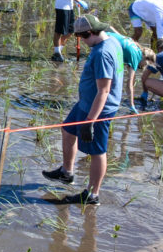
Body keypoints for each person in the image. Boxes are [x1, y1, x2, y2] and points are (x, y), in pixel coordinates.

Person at [43, 15, 123, 205]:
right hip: (85, 103)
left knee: (97, 151)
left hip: (98, 110)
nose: (82, 42)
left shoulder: (102, 53)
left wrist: (90, 121)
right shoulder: (112, 39)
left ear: (89, 33)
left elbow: (104, 91)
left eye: (82, 38)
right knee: (68, 129)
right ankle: (66, 172)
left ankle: (92, 194)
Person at [105, 29, 152, 114]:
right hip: (105, 43)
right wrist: (132, 105)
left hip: (104, 36)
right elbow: (129, 83)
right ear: (146, 59)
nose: (143, 67)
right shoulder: (136, 57)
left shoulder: (135, 47)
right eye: (146, 65)